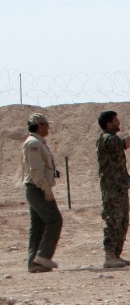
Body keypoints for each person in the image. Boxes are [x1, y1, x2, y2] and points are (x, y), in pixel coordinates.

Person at [96, 110, 130, 268]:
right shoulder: (107, 139)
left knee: (122, 221)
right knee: (113, 220)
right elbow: (126, 144)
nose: (118, 122)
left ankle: (116, 255)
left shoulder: (111, 138)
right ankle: (109, 256)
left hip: (119, 186)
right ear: (109, 124)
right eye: (116, 121)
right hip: (112, 188)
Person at [21, 112, 62, 273]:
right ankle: (44, 256)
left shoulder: (37, 143)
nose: (49, 128)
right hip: (37, 189)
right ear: (39, 126)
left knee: (38, 226)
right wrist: (46, 189)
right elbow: (36, 171)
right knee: (54, 221)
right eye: (46, 125)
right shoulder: (34, 144)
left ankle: (34, 262)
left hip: (35, 188)